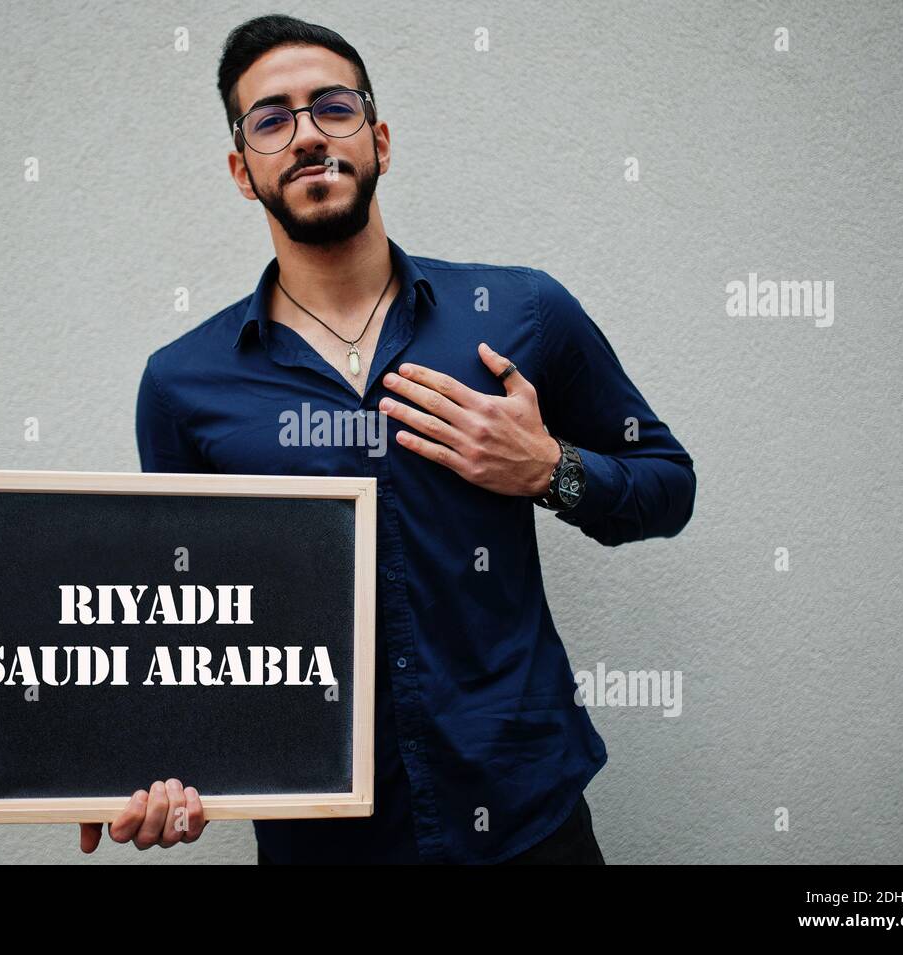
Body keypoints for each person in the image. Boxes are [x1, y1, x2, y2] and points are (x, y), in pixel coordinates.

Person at [80, 13, 696, 864]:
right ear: (241, 171)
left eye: (332, 107)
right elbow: (187, 633)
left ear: (379, 139)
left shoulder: (521, 312)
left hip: (528, 827)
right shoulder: (183, 386)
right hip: (323, 844)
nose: (306, 135)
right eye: (271, 119)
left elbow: (669, 485)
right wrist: (161, 770)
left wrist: (549, 470)